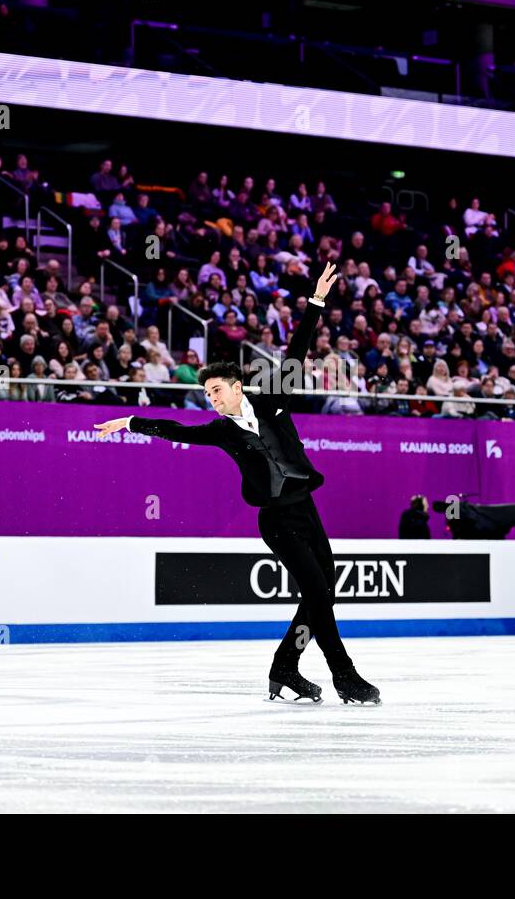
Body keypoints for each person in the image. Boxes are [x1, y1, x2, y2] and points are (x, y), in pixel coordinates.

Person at [94, 263, 380, 705]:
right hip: (277, 520)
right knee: (319, 594)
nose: (211, 398)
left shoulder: (272, 402)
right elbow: (178, 429)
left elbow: (297, 353)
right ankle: (345, 676)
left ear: (236, 387)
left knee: (324, 594)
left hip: (306, 508)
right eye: (206, 394)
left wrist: (316, 303)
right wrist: (132, 421)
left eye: (216, 391)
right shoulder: (221, 430)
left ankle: (285, 667)